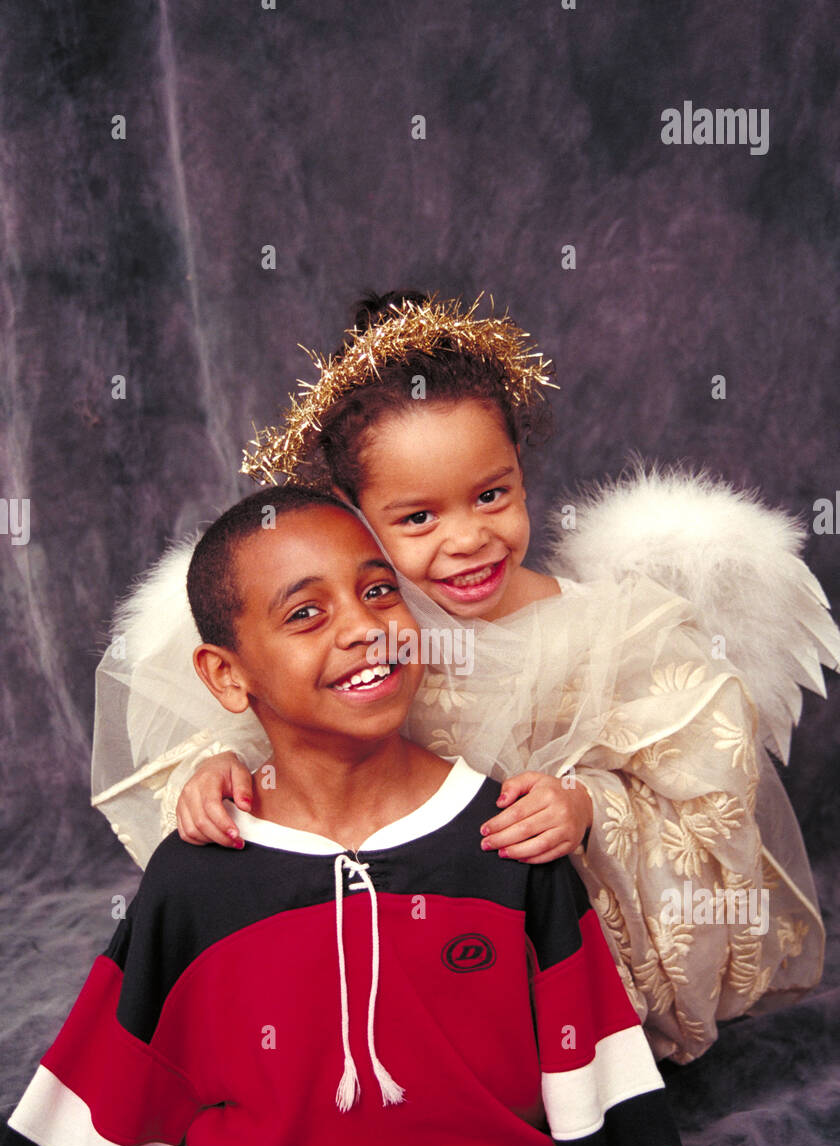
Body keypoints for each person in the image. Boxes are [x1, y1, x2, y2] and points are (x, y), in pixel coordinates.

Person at [90, 291, 840, 1065]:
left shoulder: (613, 636)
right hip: (387, 945)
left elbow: (710, 809)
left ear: (520, 471)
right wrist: (226, 766)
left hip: (537, 962)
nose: (469, 540)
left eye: (492, 495)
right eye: (417, 519)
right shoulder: (347, 639)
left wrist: (587, 808)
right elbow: (280, 731)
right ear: (352, 513)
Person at [0, 488, 704, 1146]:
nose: (365, 627)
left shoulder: (511, 838)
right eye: (306, 615)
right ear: (226, 675)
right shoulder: (198, 874)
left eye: (378, 592)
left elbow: (604, 1084)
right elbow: (101, 1097)